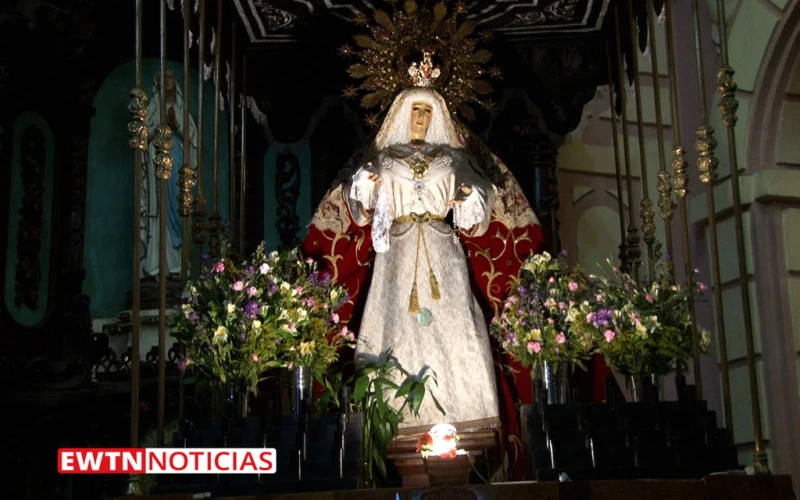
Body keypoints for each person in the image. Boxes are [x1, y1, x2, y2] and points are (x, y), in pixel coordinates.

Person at [142, 69, 198, 279]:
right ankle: (156, 265)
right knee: (156, 212)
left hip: (176, 165)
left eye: (171, 78)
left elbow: (193, 140)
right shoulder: (153, 109)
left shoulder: (181, 111)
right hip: (155, 166)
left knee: (176, 208)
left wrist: (176, 126)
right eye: (163, 78)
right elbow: (143, 135)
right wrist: (159, 127)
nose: (168, 82)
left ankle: (176, 265)